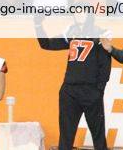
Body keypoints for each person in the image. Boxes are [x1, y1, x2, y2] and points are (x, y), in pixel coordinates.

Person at [36, 16, 112, 150]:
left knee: (98, 135)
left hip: (91, 90)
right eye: (76, 12)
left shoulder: (101, 32)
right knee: (66, 135)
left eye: (82, 12)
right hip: (70, 90)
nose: (79, 15)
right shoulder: (71, 31)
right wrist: (38, 26)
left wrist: (99, 89)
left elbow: (105, 64)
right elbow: (46, 44)